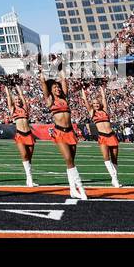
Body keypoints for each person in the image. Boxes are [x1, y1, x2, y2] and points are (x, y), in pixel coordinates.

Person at [41, 67, 87, 199]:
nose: (58, 89)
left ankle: (72, 190)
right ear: (51, 90)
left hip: (70, 132)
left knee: (71, 161)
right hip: (59, 133)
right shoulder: (50, 100)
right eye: (55, 87)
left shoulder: (65, 98)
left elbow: (63, 79)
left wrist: (60, 66)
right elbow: (43, 83)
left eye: (58, 87)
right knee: (68, 159)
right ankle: (81, 189)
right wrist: (41, 68)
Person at [84, 86, 122, 188]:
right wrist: (83, 91)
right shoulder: (92, 113)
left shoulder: (105, 110)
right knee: (106, 158)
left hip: (111, 135)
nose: (96, 105)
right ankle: (114, 178)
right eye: (94, 103)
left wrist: (102, 90)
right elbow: (86, 102)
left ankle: (115, 179)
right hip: (102, 137)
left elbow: (104, 99)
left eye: (97, 103)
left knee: (114, 158)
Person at [6, 83, 36, 187]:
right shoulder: (12, 109)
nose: (18, 101)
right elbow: (8, 97)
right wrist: (6, 86)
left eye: (18, 99)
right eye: (16, 100)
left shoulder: (25, 108)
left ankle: (29, 179)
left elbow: (23, 97)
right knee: (24, 155)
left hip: (29, 135)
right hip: (20, 135)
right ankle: (29, 178)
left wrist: (18, 86)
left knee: (30, 157)